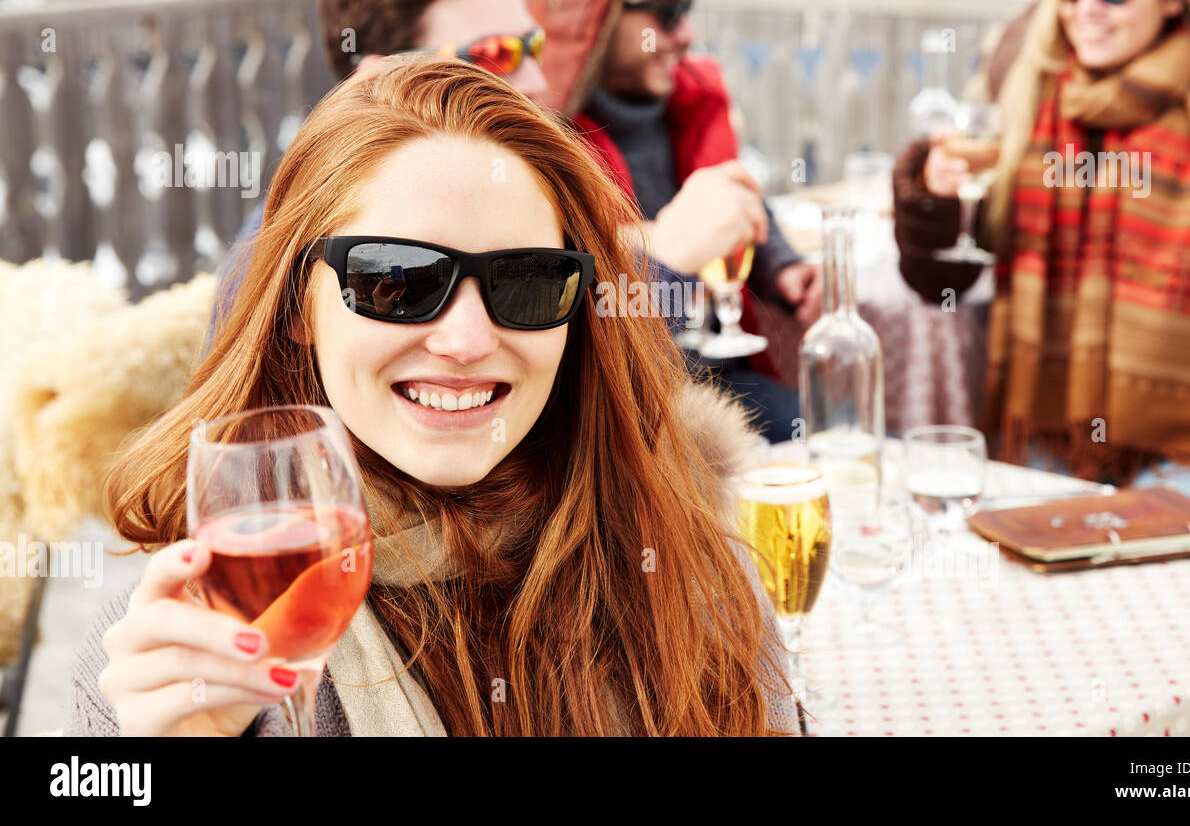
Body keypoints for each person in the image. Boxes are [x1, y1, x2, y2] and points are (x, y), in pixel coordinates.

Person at [67, 56, 800, 737]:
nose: (466, 340)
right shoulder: (170, 660)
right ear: (297, 309)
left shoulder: (690, 554)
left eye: (528, 281)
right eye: (397, 282)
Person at [893, 0, 1190, 504]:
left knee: (1166, 577)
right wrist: (934, 202)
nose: (1086, 8)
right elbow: (942, 280)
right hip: (1049, 425)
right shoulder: (1031, 94)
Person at [526, 0, 822, 444]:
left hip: (720, 370)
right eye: (666, 13)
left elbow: (734, 202)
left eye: (686, 9)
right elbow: (561, 326)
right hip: (618, 410)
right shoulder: (536, 147)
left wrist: (783, 267)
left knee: (818, 432)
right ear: (599, 15)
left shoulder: (687, 101)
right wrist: (657, 245)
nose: (686, 34)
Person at [211, 0, 546, 326]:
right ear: (381, 75)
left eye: (534, 46)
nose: (536, 81)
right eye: (497, 53)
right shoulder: (284, 252)